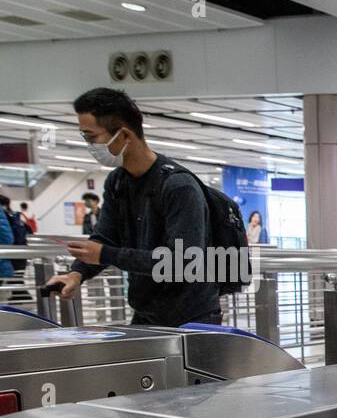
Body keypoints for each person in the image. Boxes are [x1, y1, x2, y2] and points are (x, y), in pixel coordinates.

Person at [45, 89, 218, 327]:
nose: (89, 145)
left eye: (91, 137)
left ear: (124, 135)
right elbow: (106, 237)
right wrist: (77, 273)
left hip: (192, 318)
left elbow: (183, 261)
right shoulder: (118, 182)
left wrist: (105, 254)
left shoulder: (178, 186)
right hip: (146, 312)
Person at [1, 195, 29, 279]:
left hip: (10, 257)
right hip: (17, 255)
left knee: (15, 282)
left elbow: (7, 238)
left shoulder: (8, 216)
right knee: (16, 282)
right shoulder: (14, 215)